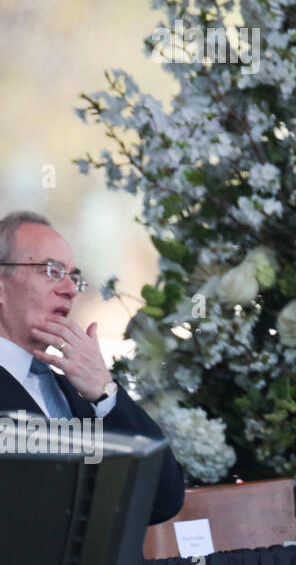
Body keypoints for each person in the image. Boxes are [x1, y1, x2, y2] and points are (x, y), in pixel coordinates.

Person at [0, 211, 185, 524]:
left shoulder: (84, 393)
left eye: (74, 277)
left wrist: (105, 393)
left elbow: (163, 498)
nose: (71, 289)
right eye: (52, 271)